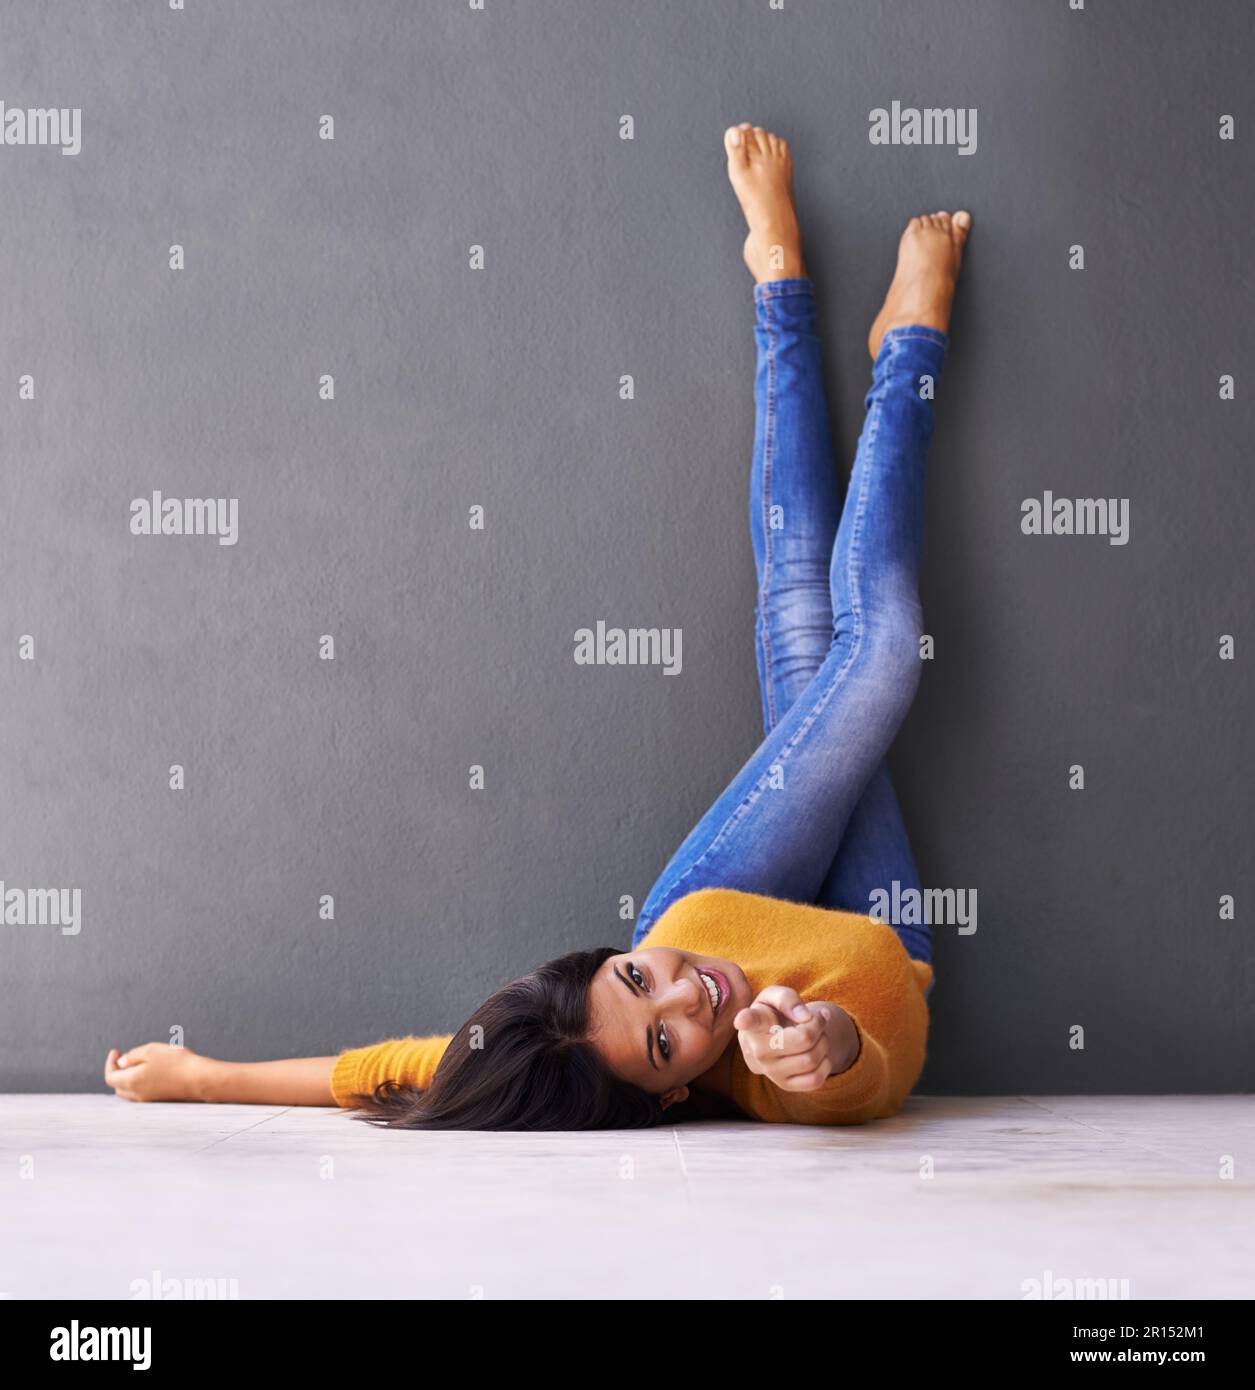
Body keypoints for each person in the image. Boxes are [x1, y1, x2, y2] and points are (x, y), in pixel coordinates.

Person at [104, 124, 970, 1130]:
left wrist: (203, 1076)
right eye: (662, 1041)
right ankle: (895, 350)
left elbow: (396, 1065)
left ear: (619, 955)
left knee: (817, 633)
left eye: (638, 980)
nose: (690, 995)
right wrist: (826, 1048)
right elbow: (879, 1038)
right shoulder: (780, 1084)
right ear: (669, 1090)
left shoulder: (670, 954)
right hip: (877, 931)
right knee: (837, 644)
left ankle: (795, 291)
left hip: (721, 896)